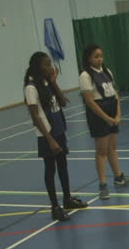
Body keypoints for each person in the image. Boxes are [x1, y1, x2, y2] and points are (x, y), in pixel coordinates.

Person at [24, 51, 87, 221]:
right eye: (46, 64)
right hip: (47, 135)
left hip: (58, 130)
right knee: (50, 169)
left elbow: (63, 102)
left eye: (50, 63)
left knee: (63, 165)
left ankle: (67, 199)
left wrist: (54, 83)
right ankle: (55, 207)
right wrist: (49, 139)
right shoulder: (31, 88)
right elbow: (35, 117)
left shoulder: (46, 83)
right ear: (37, 66)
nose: (50, 67)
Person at [79, 44, 129, 200]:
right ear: (88, 58)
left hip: (112, 112)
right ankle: (103, 185)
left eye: (101, 56)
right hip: (99, 115)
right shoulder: (85, 75)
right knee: (101, 152)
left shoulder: (107, 72)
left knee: (112, 147)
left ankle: (119, 177)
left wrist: (118, 114)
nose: (99, 59)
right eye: (95, 56)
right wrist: (106, 118)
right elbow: (90, 102)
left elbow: (115, 94)